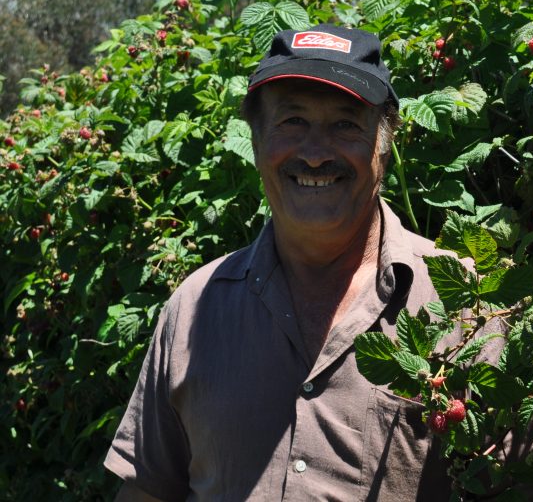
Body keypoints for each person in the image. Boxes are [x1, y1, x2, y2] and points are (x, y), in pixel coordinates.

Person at [105, 25, 486, 501]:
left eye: (345, 124)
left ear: (385, 144)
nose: (314, 153)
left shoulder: (466, 302)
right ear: (258, 141)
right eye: (292, 122)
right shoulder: (193, 309)